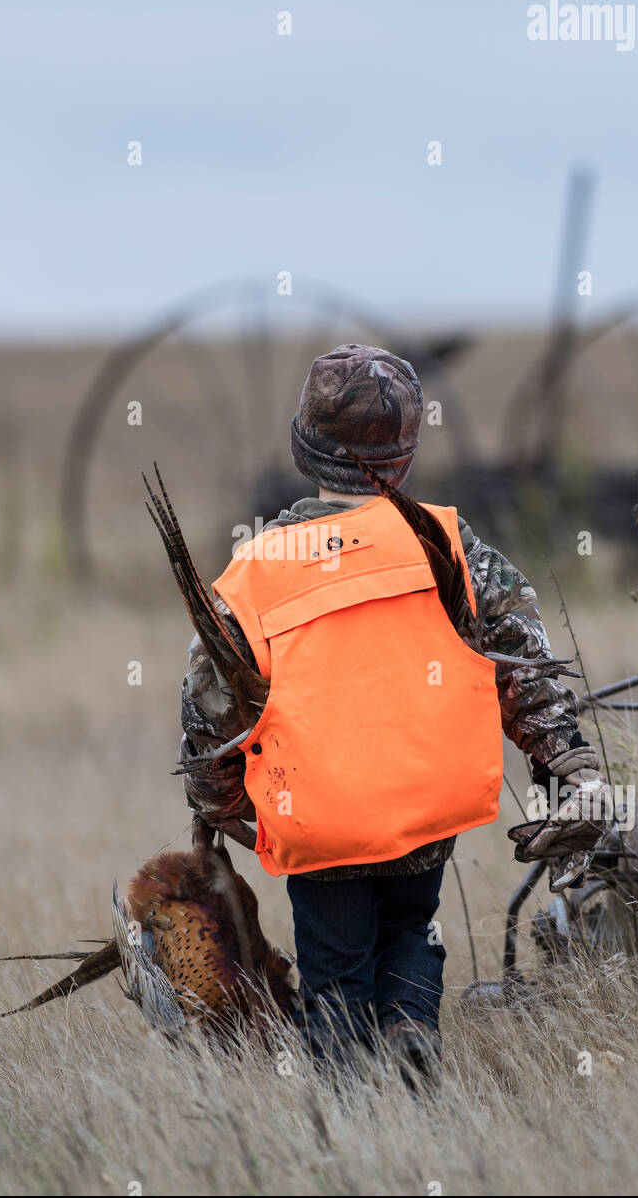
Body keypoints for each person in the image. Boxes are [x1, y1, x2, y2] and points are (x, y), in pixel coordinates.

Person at [179, 343, 605, 1078]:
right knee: (413, 926)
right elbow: (525, 666)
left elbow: (209, 718)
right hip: (425, 809)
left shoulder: (257, 571)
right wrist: (570, 763)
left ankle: (349, 1110)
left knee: (336, 969)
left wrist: (220, 808)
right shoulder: (449, 545)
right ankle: (411, 1028)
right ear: (405, 457)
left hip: (323, 821)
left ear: (302, 444)